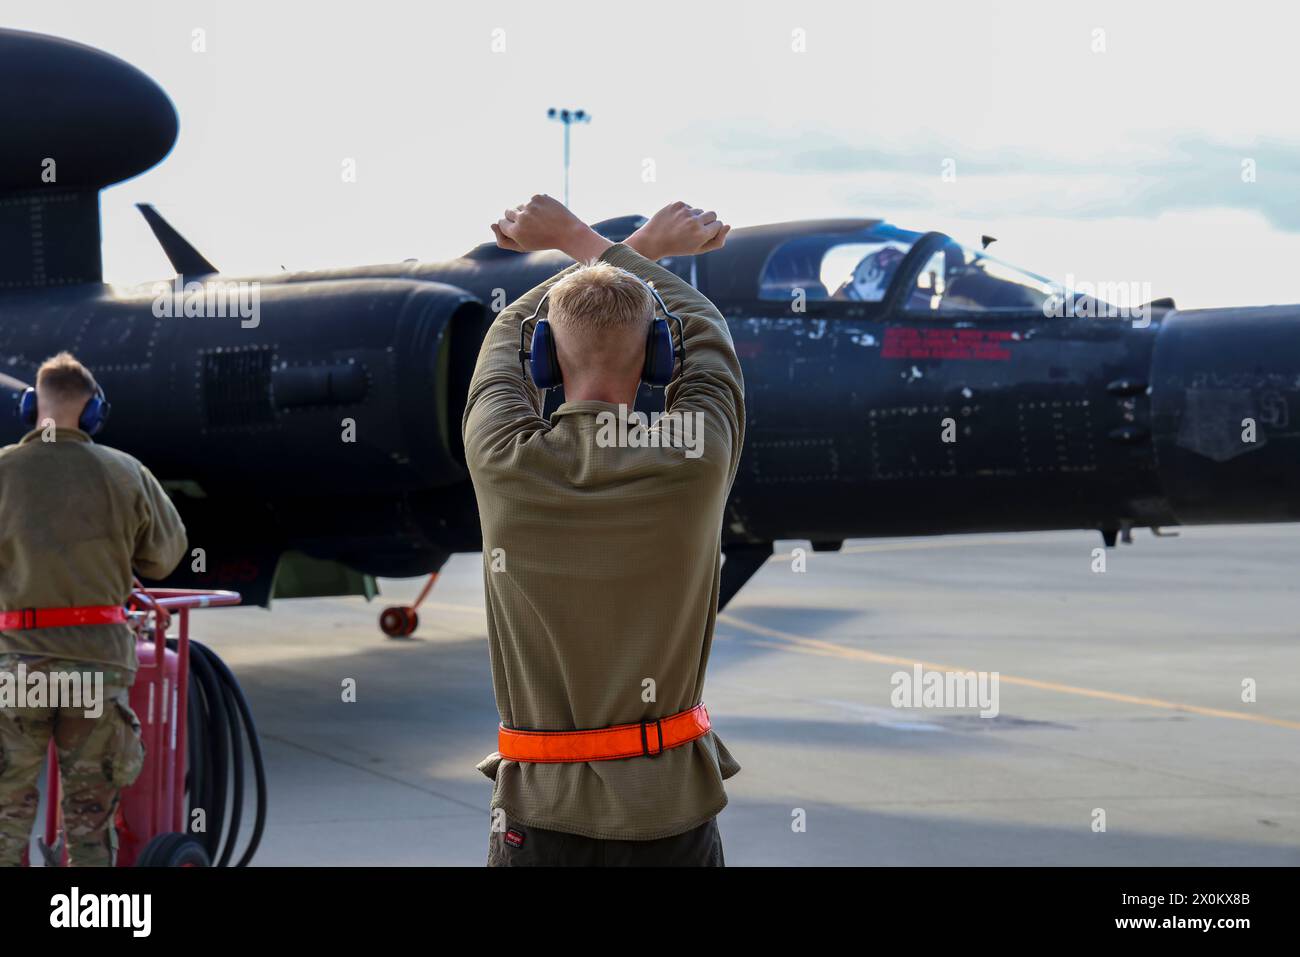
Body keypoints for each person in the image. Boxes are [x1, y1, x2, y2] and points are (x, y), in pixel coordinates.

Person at [464, 197, 745, 866]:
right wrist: (601, 243)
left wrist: (583, 245)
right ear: (657, 356)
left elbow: (507, 325)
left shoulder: (501, 455)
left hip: (540, 814)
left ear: (542, 359)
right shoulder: (696, 456)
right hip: (669, 809)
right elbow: (705, 324)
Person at [0, 352, 187, 866]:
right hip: (98, 669)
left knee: (5, 813)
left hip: (18, 669)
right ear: (93, 413)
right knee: (89, 817)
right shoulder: (126, 472)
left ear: (28, 409)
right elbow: (166, 556)